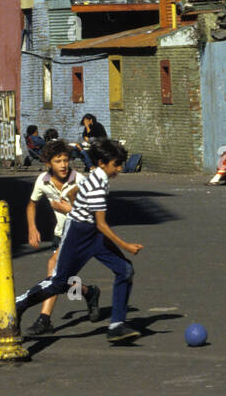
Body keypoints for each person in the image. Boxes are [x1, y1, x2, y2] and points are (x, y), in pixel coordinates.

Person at [15, 139, 145, 343]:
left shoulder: (93, 178)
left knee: (125, 270)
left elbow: (73, 192)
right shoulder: (96, 185)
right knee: (59, 281)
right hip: (78, 233)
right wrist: (125, 245)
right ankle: (19, 304)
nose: (120, 168)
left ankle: (116, 325)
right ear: (102, 163)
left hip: (92, 233)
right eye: (116, 164)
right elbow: (101, 224)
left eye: (120, 164)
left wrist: (77, 207)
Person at [23, 139, 101, 336]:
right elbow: (32, 204)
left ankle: (44, 319)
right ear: (49, 163)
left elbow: (95, 215)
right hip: (61, 235)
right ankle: (88, 292)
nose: (64, 165)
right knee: (60, 277)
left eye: (66, 160)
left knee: (53, 267)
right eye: (58, 161)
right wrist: (32, 227)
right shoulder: (42, 181)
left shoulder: (81, 181)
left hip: (81, 234)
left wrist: (70, 209)